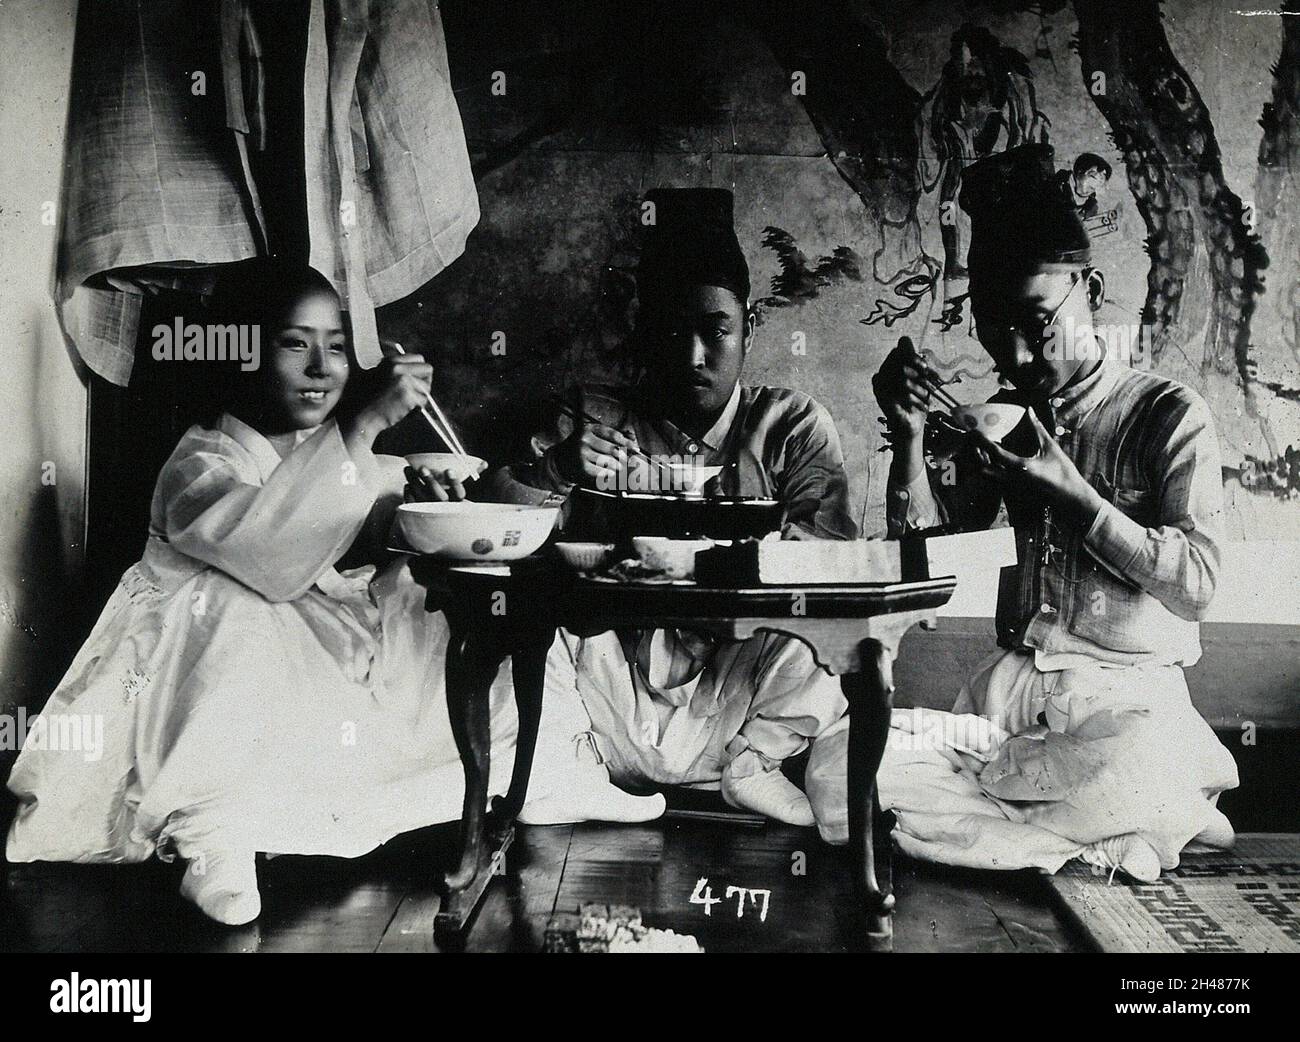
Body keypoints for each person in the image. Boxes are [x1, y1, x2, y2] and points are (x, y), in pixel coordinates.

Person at [5, 259, 654, 927]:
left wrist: (443, 504)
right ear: (240, 353)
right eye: (295, 343)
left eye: (337, 346)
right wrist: (362, 426)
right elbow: (266, 551)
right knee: (232, 607)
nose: (322, 366)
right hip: (209, 676)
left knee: (454, 605)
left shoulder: (332, 452)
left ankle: (546, 772)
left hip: (316, 657)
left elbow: (381, 519)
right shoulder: (201, 463)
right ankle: (214, 833)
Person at [814, 144, 1238, 881]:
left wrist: (1075, 498)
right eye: (990, 322)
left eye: (1037, 320)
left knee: (1137, 765)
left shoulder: (1170, 415)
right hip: (1005, 706)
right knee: (838, 758)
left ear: (1091, 289)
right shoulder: (1002, 420)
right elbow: (920, 554)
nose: (1012, 352)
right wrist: (910, 440)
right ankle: (1083, 836)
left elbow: (1197, 586)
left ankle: (1014, 828)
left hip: (1123, 706)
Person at [495, 188, 857, 826]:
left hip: (738, 685)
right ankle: (566, 773)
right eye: (670, 330)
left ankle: (753, 769)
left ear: (750, 325)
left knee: (830, 641)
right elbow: (499, 530)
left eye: (715, 330)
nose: (693, 356)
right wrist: (555, 469)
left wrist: (727, 566)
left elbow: (832, 559)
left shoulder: (793, 423)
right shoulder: (595, 417)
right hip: (610, 686)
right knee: (515, 617)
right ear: (643, 332)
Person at [1055, 152, 1112, 220]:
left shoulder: (1089, 208)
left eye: (1100, 183)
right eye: (1093, 177)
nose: (1094, 185)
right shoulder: (1054, 186)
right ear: (1080, 171)